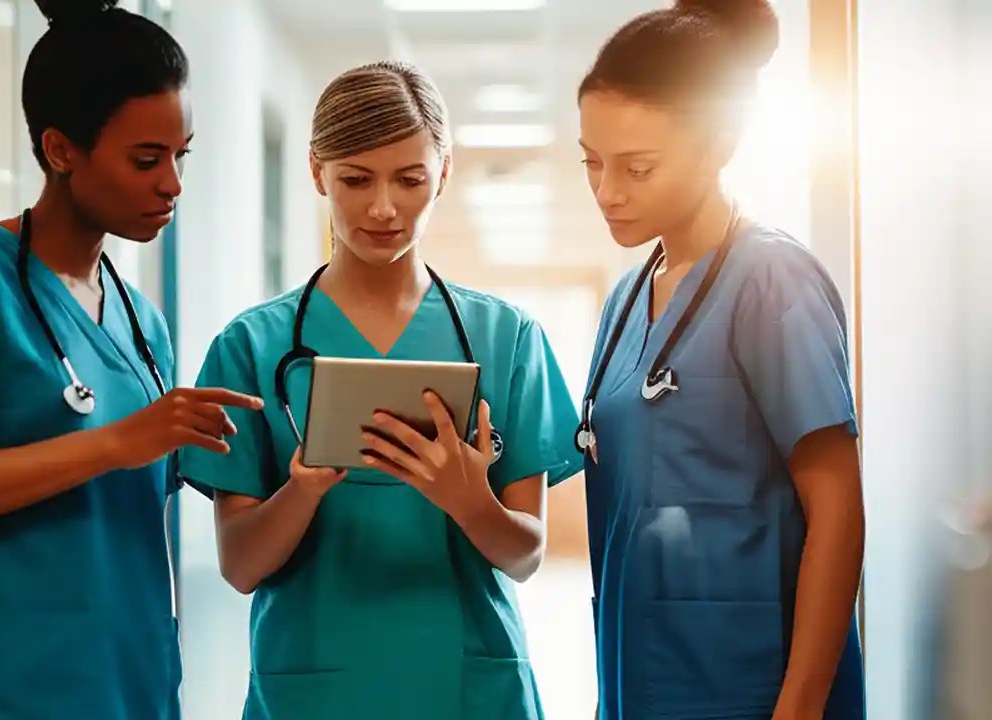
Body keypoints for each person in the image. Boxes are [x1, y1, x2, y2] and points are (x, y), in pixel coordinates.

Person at [0, 2, 261, 717]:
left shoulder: (143, 324)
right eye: (146, 159)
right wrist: (113, 444)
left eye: (180, 155)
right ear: (60, 149)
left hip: (127, 685)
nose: (171, 183)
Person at [178, 61, 584, 720]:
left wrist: (466, 498)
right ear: (317, 172)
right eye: (355, 179)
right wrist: (303, 489)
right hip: (315, 687)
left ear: (444, 172)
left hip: (466, 687)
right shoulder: (251, 346)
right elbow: (241, 566)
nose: (383, 208)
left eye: (411, 178)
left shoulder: (506, 338)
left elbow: (525, 555)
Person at [574, 1, 866, 718]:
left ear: (719, 143)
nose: (608, 192)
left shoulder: (770, 279)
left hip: (753, 687)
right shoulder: (623, 303)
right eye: (592, 163)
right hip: (640, 682)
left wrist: (798, 706)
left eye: (638, 167)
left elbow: (837, 507)